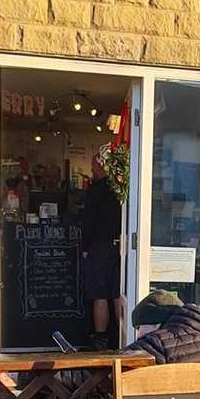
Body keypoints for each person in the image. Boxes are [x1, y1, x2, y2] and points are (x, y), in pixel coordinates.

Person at [125, 289, 200, 365]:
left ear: (157, 323)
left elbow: (116, 365)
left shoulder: (157, 343)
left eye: (138, 327)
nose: (138, 334)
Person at [82, 148, 123, 350]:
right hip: (121, 245)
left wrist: (85, 247)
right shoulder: (121, 188)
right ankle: (122, 336)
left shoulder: (96, 190)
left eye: (93, 165)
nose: (91, 169)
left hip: (100, 246)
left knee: (100, 294)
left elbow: (88, 221)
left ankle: (101, 339)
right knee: (118, 293)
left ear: (102, 165)